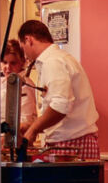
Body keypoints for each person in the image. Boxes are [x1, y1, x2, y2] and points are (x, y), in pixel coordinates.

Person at [16, 19, 100, 161]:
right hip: (73, 141)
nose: (25, 55)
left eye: (22, 47)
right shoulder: (60, 58)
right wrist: (32, 126)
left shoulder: (52, 61)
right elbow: (63, 112)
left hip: (72, 143)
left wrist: (33, 129)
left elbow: (61, 106)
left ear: (28, 39)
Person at [0, 39, 39, 158]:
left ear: (22, 62)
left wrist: (1, 135)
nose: (7, 67)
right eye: (4, 62)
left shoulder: (25, 85)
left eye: (13, 63)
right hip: (0, 146)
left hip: (15, 148)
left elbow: (26, 124)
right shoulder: (0, 82)